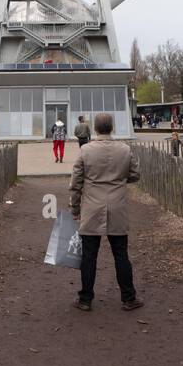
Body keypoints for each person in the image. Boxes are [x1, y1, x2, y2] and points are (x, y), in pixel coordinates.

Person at [69, 113, 142, 312]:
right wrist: (118, 181)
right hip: (117, 205)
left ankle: (85, 298)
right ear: (112, 128)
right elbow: (135, 175)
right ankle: (129, 297)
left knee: (89, 255)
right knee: (120, 253)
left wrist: (75, 208)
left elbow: (76, 183)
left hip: (92, 206)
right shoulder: (125, 150)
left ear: (95, 128)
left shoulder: (86, 150)